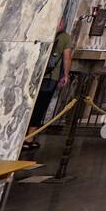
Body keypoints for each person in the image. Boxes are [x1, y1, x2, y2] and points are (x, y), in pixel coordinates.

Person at [24, 18, 73, 150]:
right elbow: (67, 57)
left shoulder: (42, 33)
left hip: (35, 74)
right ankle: (29, 138)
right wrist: (66, 75)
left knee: (32, 105)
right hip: (50, 77)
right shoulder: (65, 37)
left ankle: (23, 135)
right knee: (40, 107)